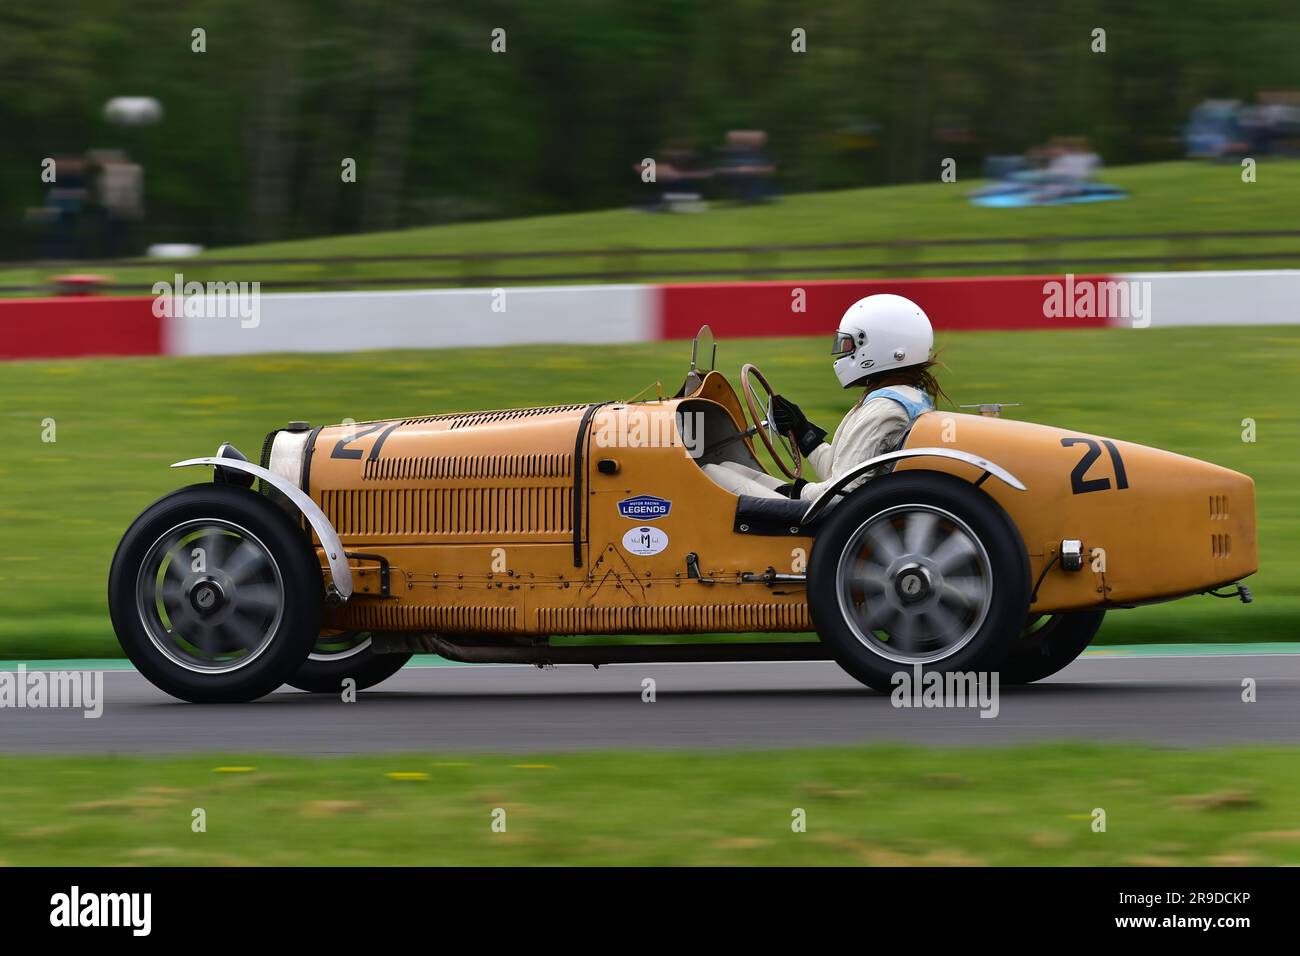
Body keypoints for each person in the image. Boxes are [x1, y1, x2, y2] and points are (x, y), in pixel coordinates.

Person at [704, 294, 943, 503]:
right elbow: (841, 471)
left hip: (823, 514)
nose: (845, 353)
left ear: (881, 348)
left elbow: (841, 492)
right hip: (835, 503)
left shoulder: (885, 409)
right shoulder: (905, 398)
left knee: (708, 472)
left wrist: (794, 492)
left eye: (850, 344)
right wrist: (802, 430)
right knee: (727, 467)